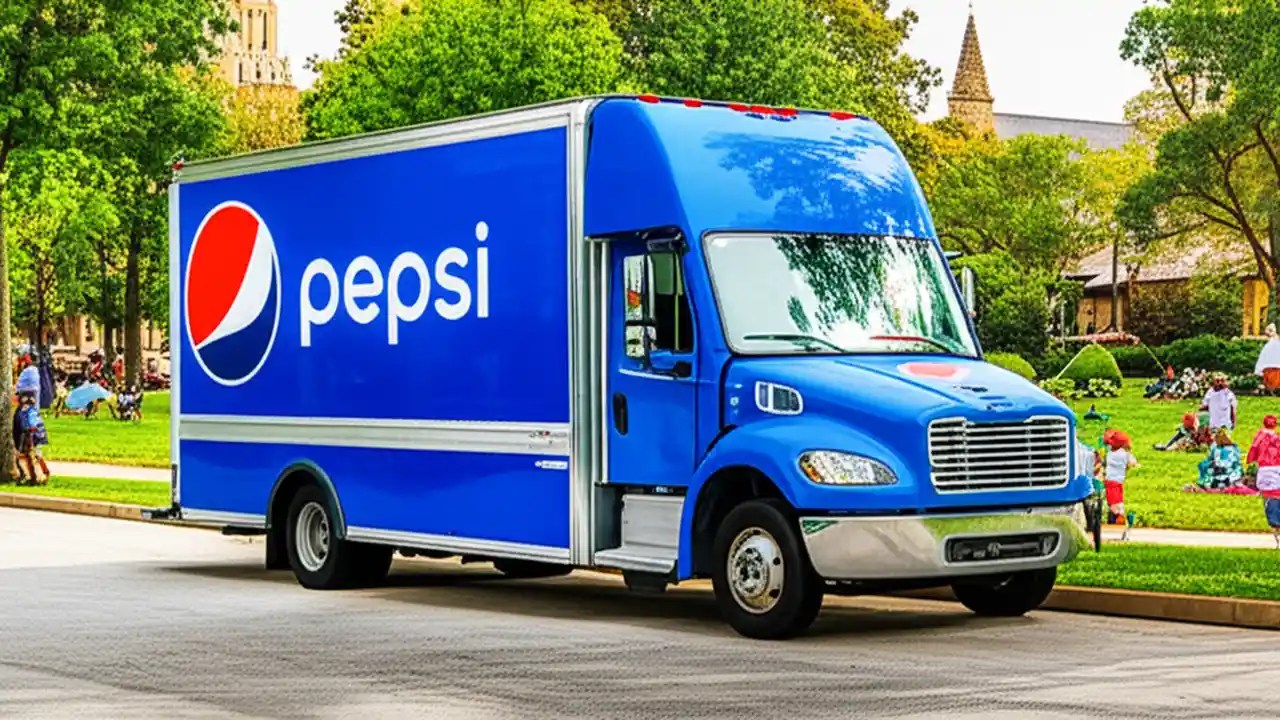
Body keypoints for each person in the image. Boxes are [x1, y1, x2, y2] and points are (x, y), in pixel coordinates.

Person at [1247, 415, 1280, 549]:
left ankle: (1276, 536)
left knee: (1269, 502)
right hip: (1277, 470)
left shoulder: (1260, 437)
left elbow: (1253, 452)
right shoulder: (1277, 439)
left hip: (1265, 473)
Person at [13, 391, 50, 485]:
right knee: (32, 455)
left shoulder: (27, 411)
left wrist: (30, 429)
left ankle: (36, 476)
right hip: (32, 435)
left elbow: (31, 423)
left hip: (31, 436)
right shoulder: (28, 410)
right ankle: (34, 476)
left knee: (31, 456)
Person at [1104, 430, 1138, 525]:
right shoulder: (1125, 454)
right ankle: (1120, 515)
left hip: (1110, 481)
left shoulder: (1109, 454)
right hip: (1118, 482)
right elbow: (1133, 463)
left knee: (1113, 501)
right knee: (1117, 501)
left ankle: (1118, 515)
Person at [1258, 324, 1280, 392]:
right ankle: (1271, 388)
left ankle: (1273, 388)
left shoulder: (1274, 342)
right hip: (1270, 366)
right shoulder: (1270, 343)